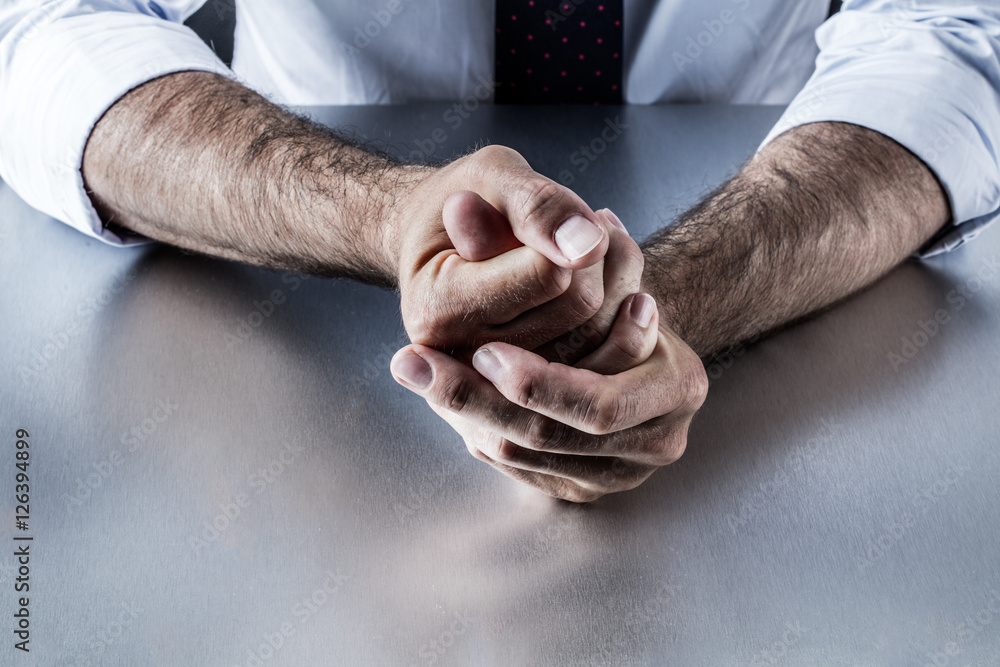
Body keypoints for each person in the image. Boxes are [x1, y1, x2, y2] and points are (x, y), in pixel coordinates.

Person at [1, 1, 997, 502]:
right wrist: (384, 216)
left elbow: (950, 32)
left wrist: (655, 303)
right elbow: (50, 23)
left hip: (785, 332)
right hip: (286, 361)